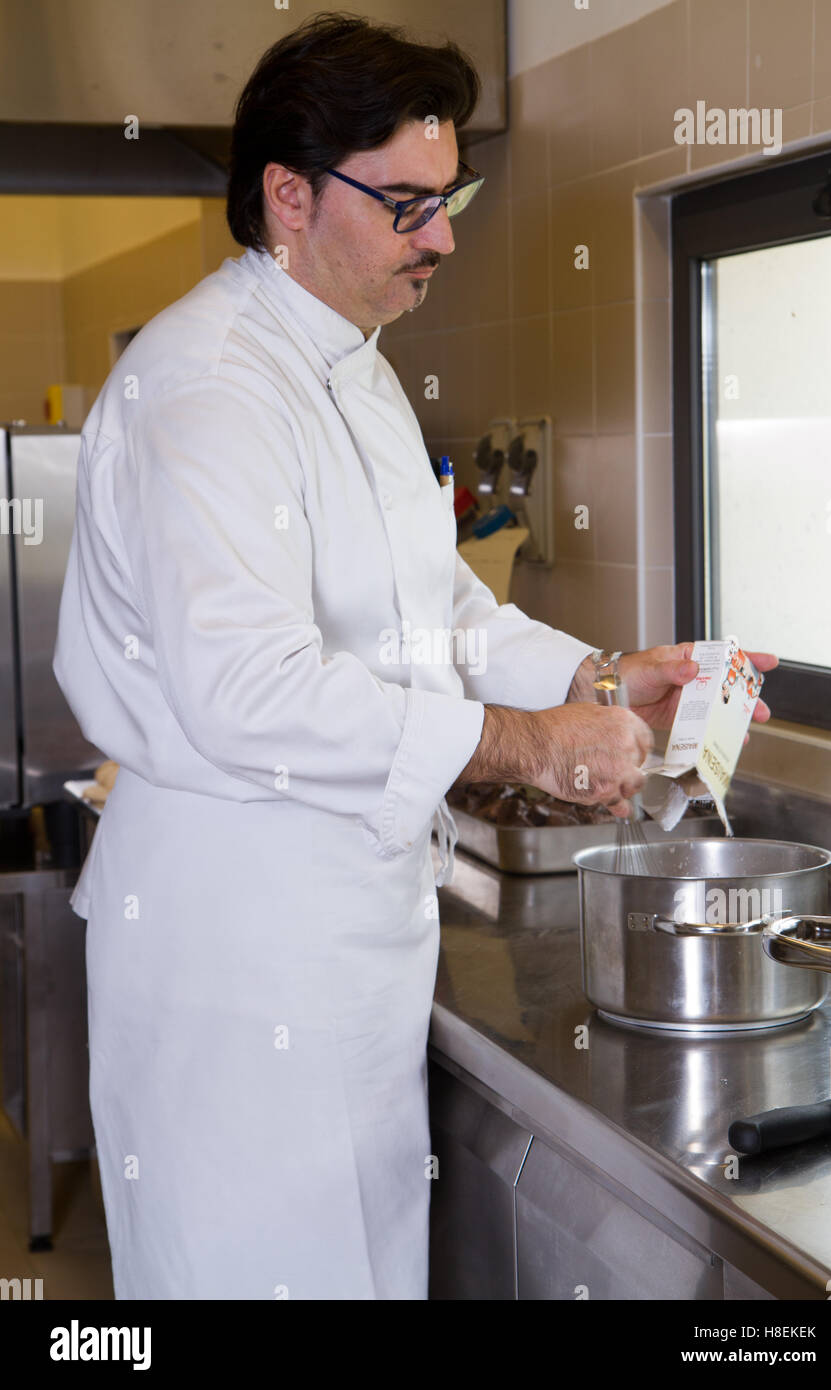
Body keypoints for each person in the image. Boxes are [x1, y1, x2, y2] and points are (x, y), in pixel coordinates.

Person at [53, 12, 776, 1300]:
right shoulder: (211, 386)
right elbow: (247, 689)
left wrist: (599, 681)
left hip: (348, 943)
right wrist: (529, 747)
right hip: (236, 949)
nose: (441, 238)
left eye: (451, 199)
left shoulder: (361, 374)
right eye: (405, 205)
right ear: (287, 193)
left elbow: (436, 613)